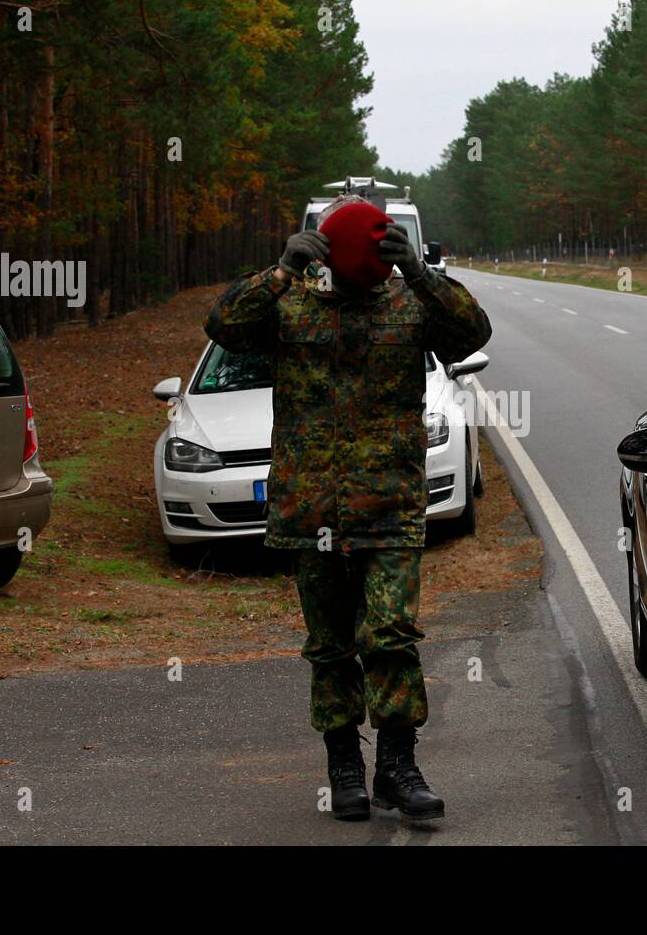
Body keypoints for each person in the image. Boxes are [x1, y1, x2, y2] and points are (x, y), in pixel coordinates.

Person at [204, 194, 492, 822]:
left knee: (390, 637)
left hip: (389, 506)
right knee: (331, 646)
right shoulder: (291, 302)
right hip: (313, 513)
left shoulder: (410, 301)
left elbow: (472, 333)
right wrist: (280, 269)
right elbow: (223, 329)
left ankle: (397, 766)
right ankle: (344, 768)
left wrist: (418, 269)